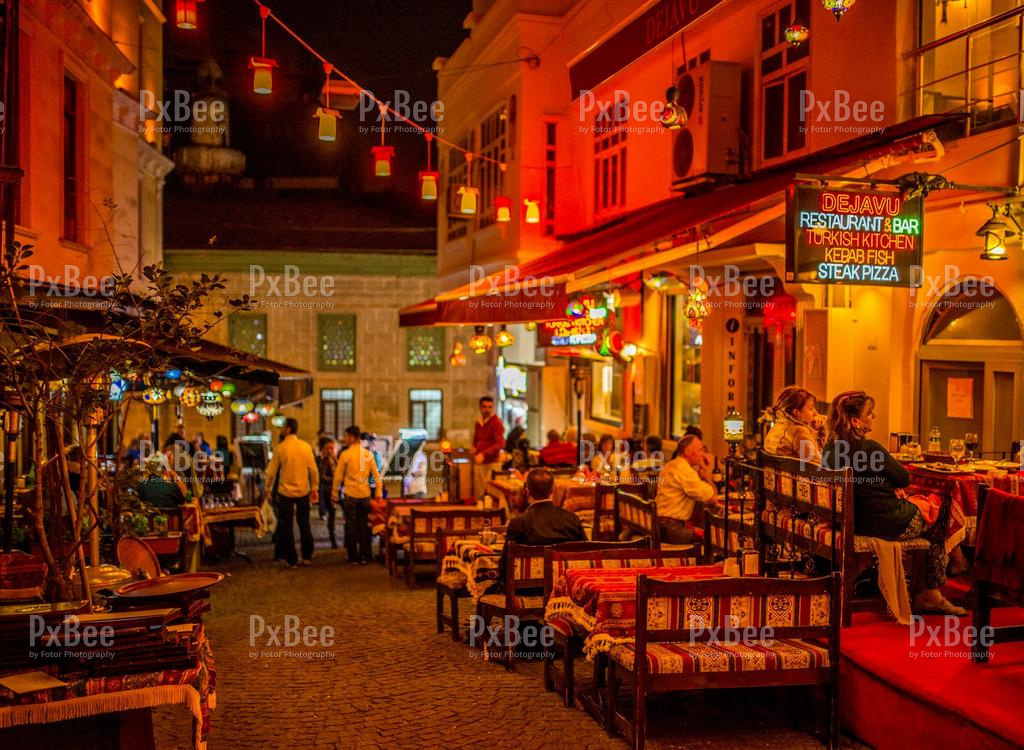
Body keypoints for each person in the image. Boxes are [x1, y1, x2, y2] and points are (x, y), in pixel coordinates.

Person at [820, 390, 965, 616]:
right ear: (856, 421)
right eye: (870, 413)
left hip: (853, 519)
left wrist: (888, 484)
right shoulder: (870, 448)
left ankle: (945, 568)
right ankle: (931, 592)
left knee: (926, 507)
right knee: (942, 508)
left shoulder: (830, 447)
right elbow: (904, 478)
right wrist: (892, 484)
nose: (874, 416)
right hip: (884, 523)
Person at [497, 467, 586, 586]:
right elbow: (585, 554)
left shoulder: (518, 523)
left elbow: (505, 565)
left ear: (527, 491)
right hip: (563, 586)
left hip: (525, 589)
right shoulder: (571, 519)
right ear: (552, 491)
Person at [264, 418, 319, 568]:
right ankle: (307, 556)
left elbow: (271, 473)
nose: (281, 429)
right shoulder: (305, 446)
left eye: (282, 427)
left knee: (286, 526)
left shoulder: (280, 448)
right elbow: (313, 470)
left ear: (288, 429)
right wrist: (314, 488)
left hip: (285, 492)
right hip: (303, 491)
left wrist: (268, 489)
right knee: (304, 524)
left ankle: (292, 559)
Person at [654, 435, 719, 544]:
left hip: (658, 525)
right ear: (688, 451)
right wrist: (708, 478)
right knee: (713, 539)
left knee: (705, 533)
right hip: (671, 530)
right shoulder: (684, 470)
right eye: (700, 450)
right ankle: (705, 561)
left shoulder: (670, 465)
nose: (702, 454)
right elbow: (712, 497)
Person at [333, 425, 383, 565]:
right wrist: (378, 492)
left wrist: (334, 493)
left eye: (346, 436)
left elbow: (338, 476)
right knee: (364, 526)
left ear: (352, 437)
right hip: (365, 495)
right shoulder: (368, 455)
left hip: (350, 495)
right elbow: (376, 476)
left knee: (351, 526)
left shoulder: (345, 454)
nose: (344, 438)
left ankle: (353, 557)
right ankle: (365, 556)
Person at [762, 387, 826, 464]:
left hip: (777, 475)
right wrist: (822, 430)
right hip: (795, 476)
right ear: (796, 412)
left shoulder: (778, 426)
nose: (815, 413)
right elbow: (818, 466)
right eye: (811, 408)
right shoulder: (799, 432)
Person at [472, 396, 505, 498]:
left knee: (491, 493)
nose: (487, 409)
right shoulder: (479, 422)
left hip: (492, 462)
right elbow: (477, 439)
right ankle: (479, 512)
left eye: (490, 407)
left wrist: (484, 453)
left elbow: (500, 443)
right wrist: (475, 448)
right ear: (480, 408)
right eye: (485, 407)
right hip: (480, 462)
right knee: (479, 491)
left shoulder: (496, 422)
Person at [316, 436, 339, 547]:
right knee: (331, 513)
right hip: (327, 490)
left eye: (332, 448)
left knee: (333, 514)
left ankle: (334, 537)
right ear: (324, 448)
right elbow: (322, 476)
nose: (330, 450)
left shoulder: (334, 459)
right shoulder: (321, 460)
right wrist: (334, 479)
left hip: (335, 489)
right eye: (328, 448)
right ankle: (332, 538)